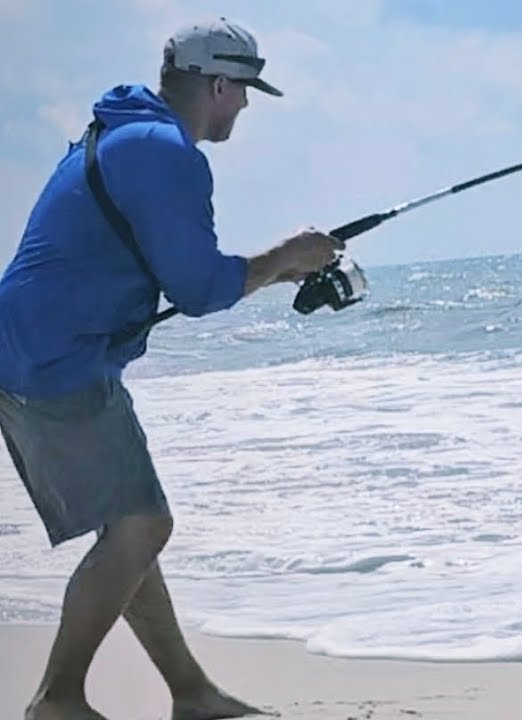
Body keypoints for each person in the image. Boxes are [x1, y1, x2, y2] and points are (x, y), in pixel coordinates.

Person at [0, 17, 340, 720]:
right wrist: (289, 254)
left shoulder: (128, 132)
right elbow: (201, 291)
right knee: (141, 526)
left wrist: (278, 271)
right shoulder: (165, 153)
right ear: (218, 84)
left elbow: (182, 268)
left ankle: (192, 694)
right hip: (51, 360)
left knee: (133, 530)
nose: (245, 106)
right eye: (244, 90)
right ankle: (56, 700)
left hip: (48, 349)